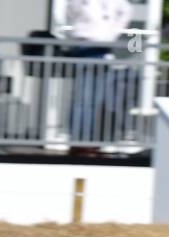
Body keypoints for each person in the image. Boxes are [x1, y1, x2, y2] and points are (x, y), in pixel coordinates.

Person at [63, 0, 133, 153]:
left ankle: (86, 140)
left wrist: (114, 32)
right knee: (83, 98)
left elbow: (126, 10)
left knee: (95, 99)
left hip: (103, 47)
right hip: (85, 44)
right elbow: (70, 11)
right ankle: (78, 140)